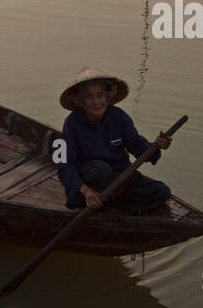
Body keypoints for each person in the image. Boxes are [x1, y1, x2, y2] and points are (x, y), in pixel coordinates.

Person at [57, 67, 172, 214]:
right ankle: (96, 201)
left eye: (100, 95)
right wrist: (85, 191)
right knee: (100, 170)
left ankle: (112, 203)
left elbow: (137, 146)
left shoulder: (119, 117)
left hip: (120, 180)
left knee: (163, 192)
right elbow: (64, 166)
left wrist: (156, 145)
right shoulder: (71, 123)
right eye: (89, 97)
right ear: (79, 100)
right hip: (90, 183)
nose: (96, 102)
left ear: (108, 96)